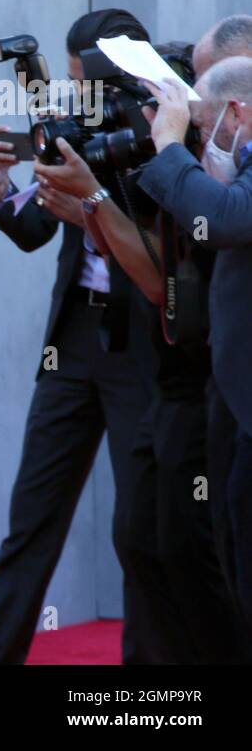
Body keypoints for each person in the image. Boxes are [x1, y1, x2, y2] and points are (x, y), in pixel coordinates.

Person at [0, 9, 166, 664]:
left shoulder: (162, 127)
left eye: (86, 79)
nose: (74, 92)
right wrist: (2, 187)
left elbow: (167, 239)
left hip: (142, 342)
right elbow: (35, 231)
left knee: (139, 528)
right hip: (73, 339)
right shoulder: (68, 120)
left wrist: (93, 198)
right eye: (70, 76)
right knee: (33, 516)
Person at [33, 58, 246, 661]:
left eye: (184, 114)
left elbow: (163, 283)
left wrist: (97, 198)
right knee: (140, 541)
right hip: (167, 384)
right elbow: (158, 274)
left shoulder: (213, 186)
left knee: (198, 553)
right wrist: (94, 206)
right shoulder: (184, 176)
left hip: (207, 390)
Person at [137, 56, 252, 634]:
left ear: (238, 113)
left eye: (204, 129)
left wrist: (167, 146)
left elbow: (223, 217)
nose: (203, 143)